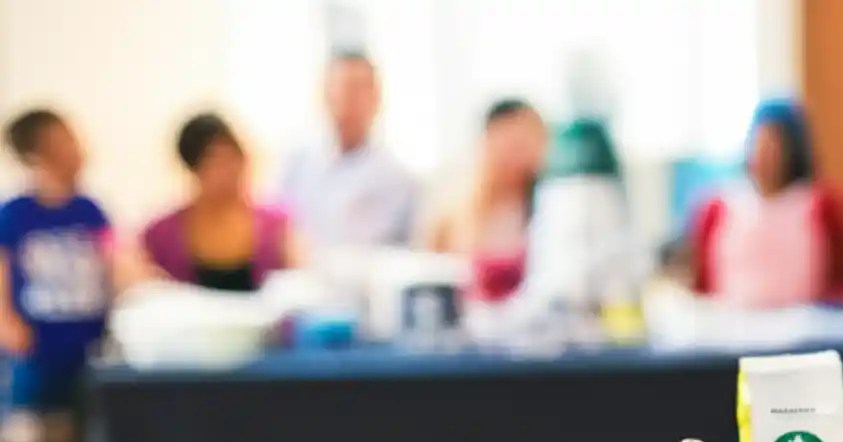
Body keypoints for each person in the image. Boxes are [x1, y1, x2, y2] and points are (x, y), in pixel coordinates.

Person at [688, 99, 843, 307]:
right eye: (761, 143)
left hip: (805, 329)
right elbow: (701, 286)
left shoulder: (824, 206)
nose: (766, 154)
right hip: (730, 326)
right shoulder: (718, 208)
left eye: (777, 144)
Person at [0, 109, 111, 411]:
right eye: (64, 142)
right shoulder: (14, 213)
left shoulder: (90, 210)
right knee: (33, 430)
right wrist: (7, 322)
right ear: (38, 154)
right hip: (36, 347)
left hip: (88, 342)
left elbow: (112, 260)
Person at [141, 113, 296, 292]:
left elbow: (298, 281)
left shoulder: (276, 225)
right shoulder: (162, 234)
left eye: (235, 158)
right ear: (195, 169)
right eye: (218, 163)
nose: (231, 171)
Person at [280, 52, 417, 249]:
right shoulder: (295, 163)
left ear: (376, 97)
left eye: (357, 89)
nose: (347, 98)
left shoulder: (399, 180)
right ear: (323, 94)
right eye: (338, 87)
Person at [428, 98, 547, 301]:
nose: (518, 157)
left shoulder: (548, 207)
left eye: (529, 142)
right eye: (512, 144)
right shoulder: (452, 210)